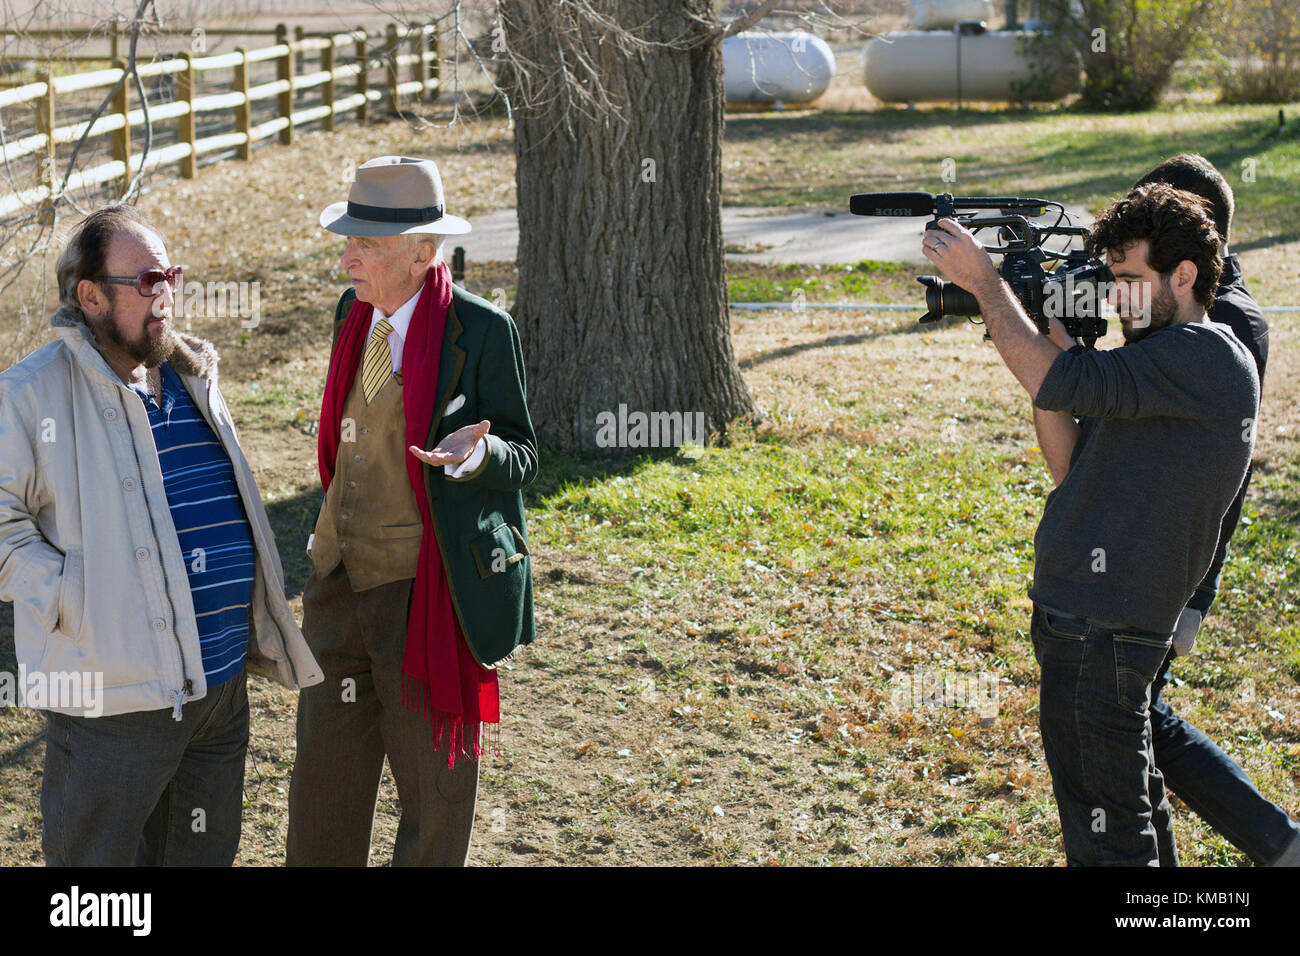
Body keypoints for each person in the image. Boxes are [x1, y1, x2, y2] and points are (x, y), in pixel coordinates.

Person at [920, 183, 1259, 865]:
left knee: (1110, 839)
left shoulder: (1204, 354)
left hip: (1102, 632)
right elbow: (1070, 457)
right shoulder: (1157, 361)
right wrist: (1058, 336)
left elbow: (1063, 383)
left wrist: (988, 287)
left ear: (1184, 274)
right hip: (1083, 625)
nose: (1117, 296)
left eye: (1131, 279)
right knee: (1131, 818)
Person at [0, 203, 321, 866]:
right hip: (112, 700)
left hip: (220, 689)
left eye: (170, 276)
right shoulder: (29, 396)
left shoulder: (192, 375)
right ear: (90, 296)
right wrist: (76, 599)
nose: (166, 296)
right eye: (147, 281)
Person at [286, 156, 537, 867]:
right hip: (335, 587)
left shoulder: (483, 331)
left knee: (434, 803)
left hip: (426, 597)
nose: (347, 258)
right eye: (348, 241)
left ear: (423, 253)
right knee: (321, 796)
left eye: (363, 244)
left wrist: (475, 459)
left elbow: (523, 454)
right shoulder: (350, 312)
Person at [1132, 154, 1298, 866]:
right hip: (1159, 550)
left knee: (1136, 715)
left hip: (1178, 563)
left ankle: (1279, 842)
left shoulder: (1227, 321)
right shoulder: (1205, 305)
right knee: (1127, 716)